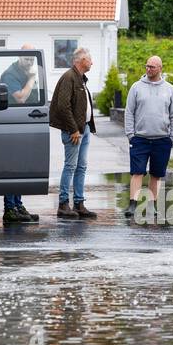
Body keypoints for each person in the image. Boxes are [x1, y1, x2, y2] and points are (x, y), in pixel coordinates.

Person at [124, 55, 173, 219]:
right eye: (147, 66)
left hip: (162, 139)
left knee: (156, 174)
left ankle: (152, 205)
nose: (148, 69)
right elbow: (129, 112)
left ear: (160, 68)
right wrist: (130, 135)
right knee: (137, 172)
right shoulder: (136, 87)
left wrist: (172, 137)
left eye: (152, 67)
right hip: (140, 138)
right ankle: (133, 204)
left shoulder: (169, 89)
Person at [48, 47, 97, 219]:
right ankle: (63, 204)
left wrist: (84, 127)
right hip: (75, 131)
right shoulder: (69, 77)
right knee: (70, 166)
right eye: (90, 59)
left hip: (84, 129)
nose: (92, 62)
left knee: (81, 166)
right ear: (81, 61)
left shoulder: (81, 79)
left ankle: (79, 203)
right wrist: (73, 129)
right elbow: (63, 106)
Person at [0, 48, 42, 223]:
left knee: (19, 167)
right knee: (11, 166)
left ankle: (18, 205)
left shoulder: (24, 72)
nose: (30, 62)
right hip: (10, 124)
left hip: (24, 123)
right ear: (19, 57)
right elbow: (21, 98)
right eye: (27, 59)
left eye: (32, 60)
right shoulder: (10, 74)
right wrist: (32, 79)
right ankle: (10, 209)